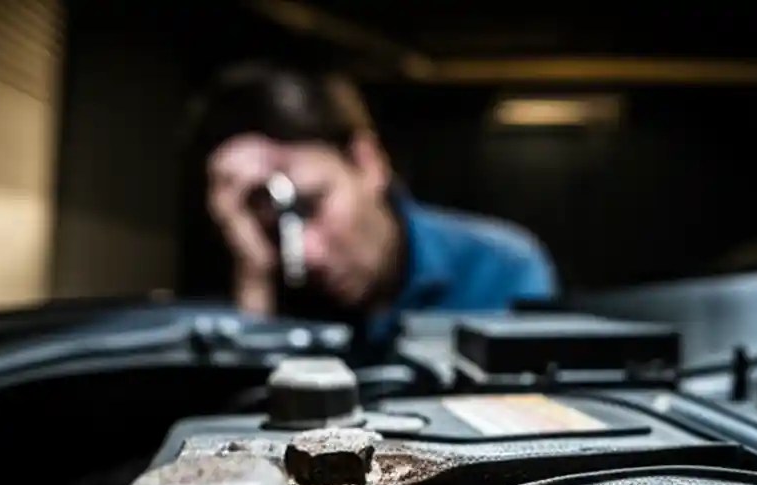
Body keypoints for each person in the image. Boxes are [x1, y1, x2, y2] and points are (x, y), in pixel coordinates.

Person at [188, 61, 558, 346]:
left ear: (367, 162)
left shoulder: (500, 268)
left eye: (311, 206)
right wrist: (254, 283)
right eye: (273, 229)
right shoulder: (267, 284)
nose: (307, 255)